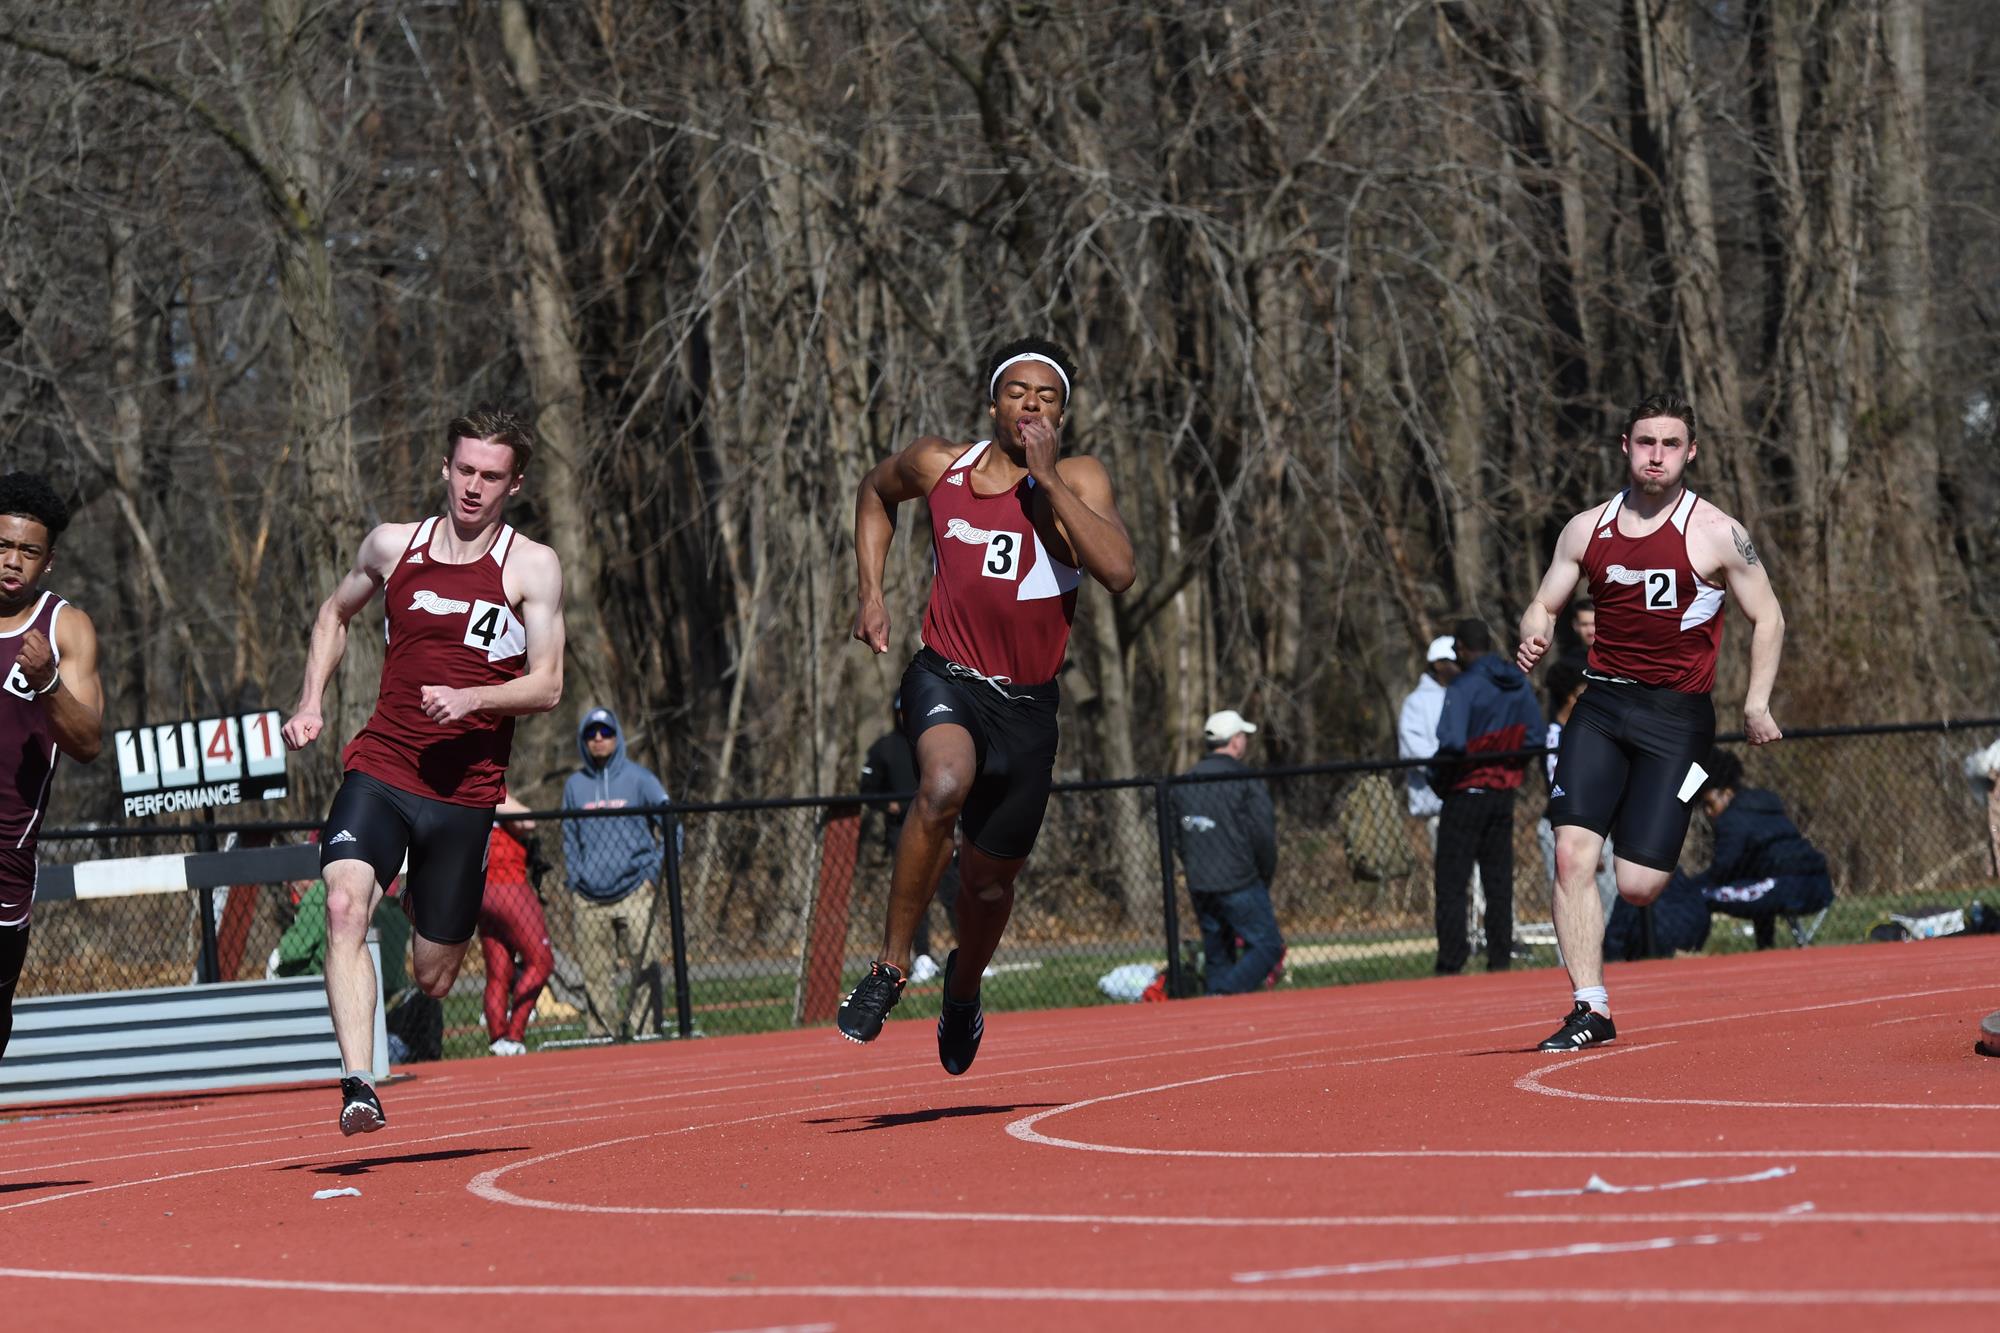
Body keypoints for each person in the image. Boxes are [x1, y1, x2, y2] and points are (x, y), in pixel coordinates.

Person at [843, 336, 1135, 1073]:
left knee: (989, 881)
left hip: (1029, 709)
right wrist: (871, 592)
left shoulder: (1078, 477)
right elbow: (874, 493)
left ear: (1062, 413)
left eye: (1047, 397)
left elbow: (1120, 572)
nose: (1030, 404)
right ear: (993, 400)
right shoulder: (941, 464)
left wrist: (1047, 482)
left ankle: (964, 990)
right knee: (942, 782)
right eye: (1018, 391)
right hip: (946, 674)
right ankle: (887, 967)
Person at [282, 408, 566, 1134]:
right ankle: (358, 1082)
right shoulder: (391, 545)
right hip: (381, 766)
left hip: (464, 796)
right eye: (465, 469)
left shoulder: (529, 565)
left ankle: (416, 892)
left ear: (515, 483)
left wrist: (474, 696)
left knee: (433, 974)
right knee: (344, 903)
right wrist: (311, 698)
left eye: (492, 475)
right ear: (446, 468)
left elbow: (548, 684)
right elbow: (333, 614)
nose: (474, 487)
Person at [1518, 391, 1786, 1050]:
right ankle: (1590, 1005)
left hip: (1680, 717)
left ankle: (1672, 803)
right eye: (1646, 442)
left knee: (1638, 885)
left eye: (1670, 443)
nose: (1657, 455)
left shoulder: (1719, 531)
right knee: (1572, 852)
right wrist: (1535, 629)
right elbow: (1544, 600)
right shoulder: (1587, 528)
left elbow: (1769, 617)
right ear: (1626, 448)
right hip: (1603, 704)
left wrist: (1756, 701)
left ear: (1689, 451)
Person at [0, 473, 104, 1061]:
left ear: (49, 561)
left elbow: (88, 740)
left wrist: (47, 685)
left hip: (7, 855)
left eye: (28, 551)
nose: (12, 562)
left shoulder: (65, 628)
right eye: (2, 546)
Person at [1430, 619, 1542, 974]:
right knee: (1498, 882)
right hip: (1502, 794)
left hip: (1465, 794)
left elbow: (1452, 742)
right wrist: (1508, 762)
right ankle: (1499, 958)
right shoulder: (1517, 683)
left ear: (1462, 648)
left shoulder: (1463, 686)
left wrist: (1441, 776)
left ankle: (1451, 961)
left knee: (1451, 882)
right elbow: (1534, 737)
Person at [560, 706, 676, 1040]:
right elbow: (569, 837)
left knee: (647, 966)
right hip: (589, 898)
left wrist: (654, 874)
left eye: (606, 732)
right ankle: (602, 1036)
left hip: (636, 891)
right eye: (591, 734)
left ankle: (645, 1031)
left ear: (616, 737)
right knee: (595, 975)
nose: (598, 739)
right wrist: (576, 880)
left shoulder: (640, 779)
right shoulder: (575, 786)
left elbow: (671, 824)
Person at [1170, 709, 1282, 995]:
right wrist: (1264, 873)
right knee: (1268, 946)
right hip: (1239, 879)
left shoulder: (1185, 781)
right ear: (1234, 741)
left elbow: (1175, 834)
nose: (1245, 741)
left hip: (1200, 880)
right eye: (1243, 735)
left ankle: (1217, 1008)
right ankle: (1224, 996)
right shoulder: (1244, 780)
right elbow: (1263, 834)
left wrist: (1193, 864)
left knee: (1218, 951)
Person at [1685, 747, 1831, 948]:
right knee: (1753, 884)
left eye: (1710, 803)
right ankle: (1765, 946)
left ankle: (1687, 948)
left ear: (1727, 794)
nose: (1709, 812)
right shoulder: (1767, 806)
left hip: (1788, 887)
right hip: (1820, 884)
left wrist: (1689, 884)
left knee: (1699, 894)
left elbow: (1722, 869)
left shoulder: (1732, 819)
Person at [859, 693, 960, 983]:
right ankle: (923, 957)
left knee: (953, 892)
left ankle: (967, 954)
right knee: (914, 895)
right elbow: (868, 789)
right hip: (902, 833)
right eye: (901, 712)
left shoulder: (933, 746)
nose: (906, 717)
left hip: (940, 832)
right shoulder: (884, 748)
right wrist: (887, 804)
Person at [1536, 659, 1617, 928]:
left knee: (1609, 902)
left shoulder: (1591, 731)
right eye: (1585, 690)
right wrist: (1580, 839)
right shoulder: (1554, 736)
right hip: (1566, 827)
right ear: (1571, 697)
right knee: (1572, 903)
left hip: (1597, 822)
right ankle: (1569, 965)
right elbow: (1558, 787)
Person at [480, 795, 554, 1054]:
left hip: (482, 891)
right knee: (541, 961)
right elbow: (528, 821)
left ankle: (498, 1038)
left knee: (499, 972)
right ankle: (514, 1034)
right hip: (507, 885)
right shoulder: (482, 783)